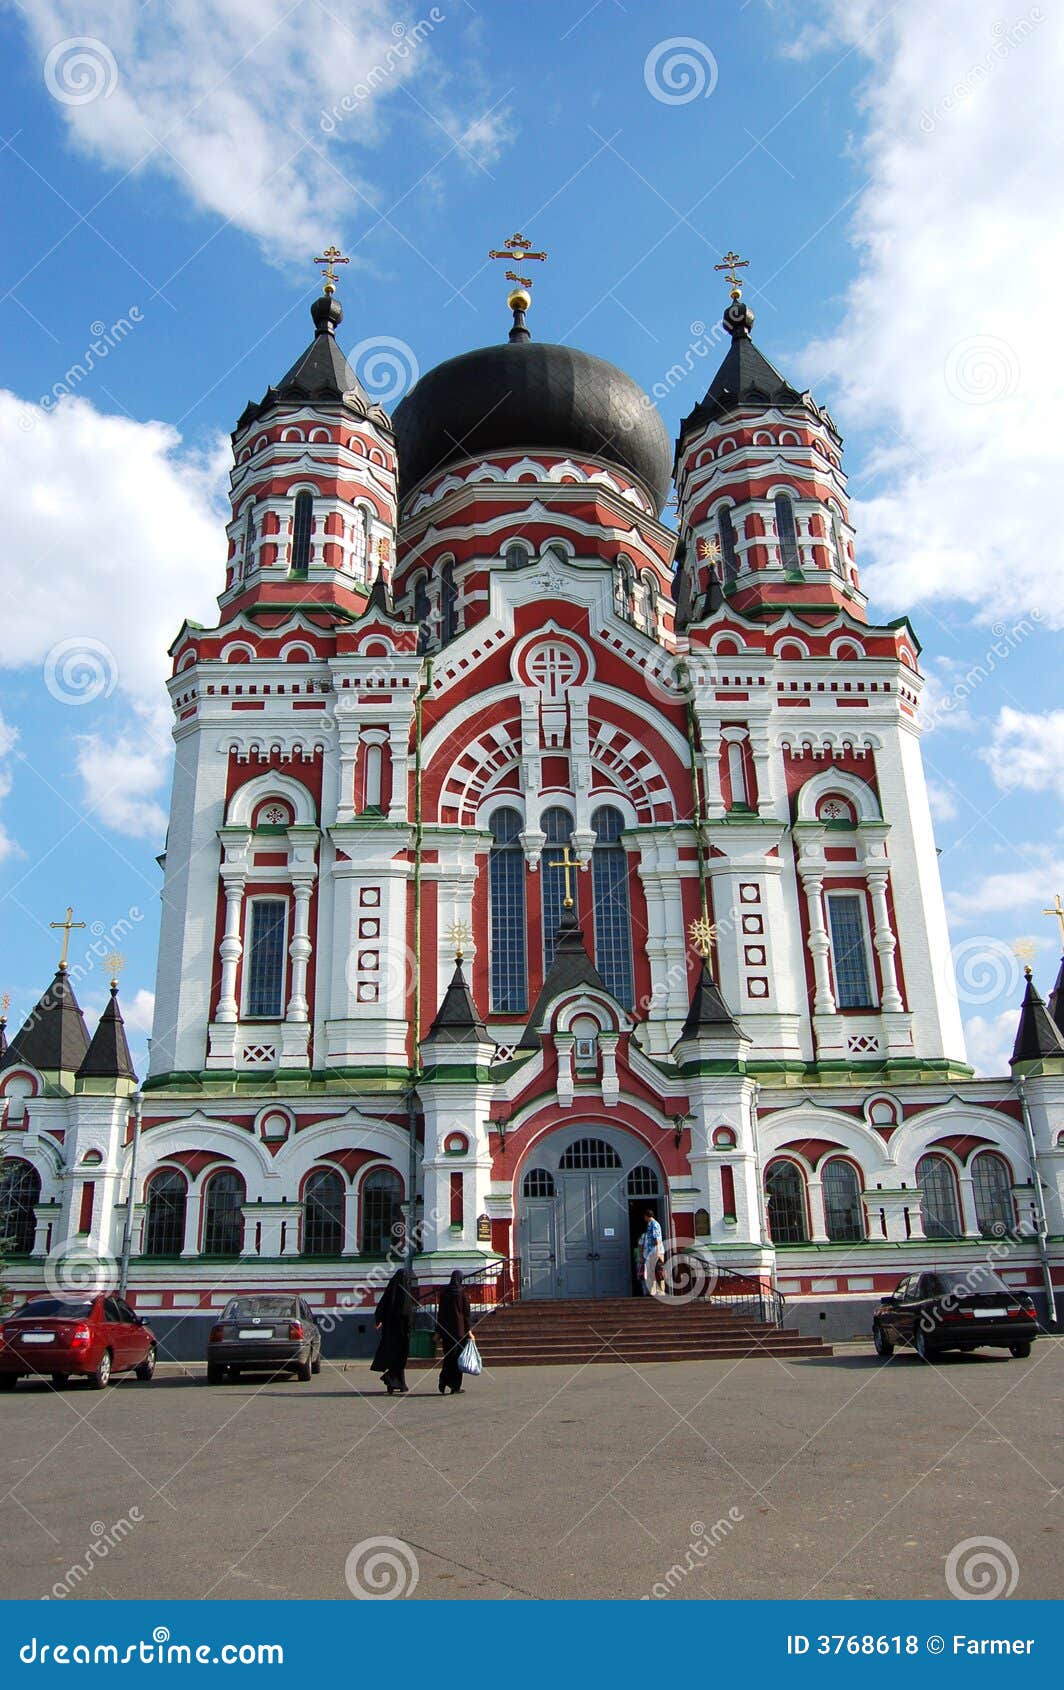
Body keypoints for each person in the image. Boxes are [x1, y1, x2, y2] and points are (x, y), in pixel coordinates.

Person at [371, 1267, 419, 1394]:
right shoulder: (405, 1293)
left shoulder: (391, 1289)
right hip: (402, 1331)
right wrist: (410, 1326)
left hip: (390, 1331)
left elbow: (382, 1305)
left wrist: (379, 1320)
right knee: (400, 1357)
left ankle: (397, 1382)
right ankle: (393, 1379)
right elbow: (407, 1313)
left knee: (394, 1357)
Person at [436, 1269, 473, 1395]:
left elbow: (440, 1314)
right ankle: (455, 1385)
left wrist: (438, 1331)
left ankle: (443, 1379)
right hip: (459, 1332)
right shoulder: (462, 1292)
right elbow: (466, 1314)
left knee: (448, 1357)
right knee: (458, 1358)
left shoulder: (444, 1292)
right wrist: (469, 1331)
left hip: (446, 1332)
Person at [639, 1208, 664, 1298]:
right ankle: (653, 1291)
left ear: (646, 1216)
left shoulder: (654, 1224)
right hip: (650, 1252)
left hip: (654, 1251)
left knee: (658, 1272)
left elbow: (656, 1238)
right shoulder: (650, 1224)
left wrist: (657, 1252)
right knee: (651, 1272)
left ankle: (660, 1291)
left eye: (644, 1217)